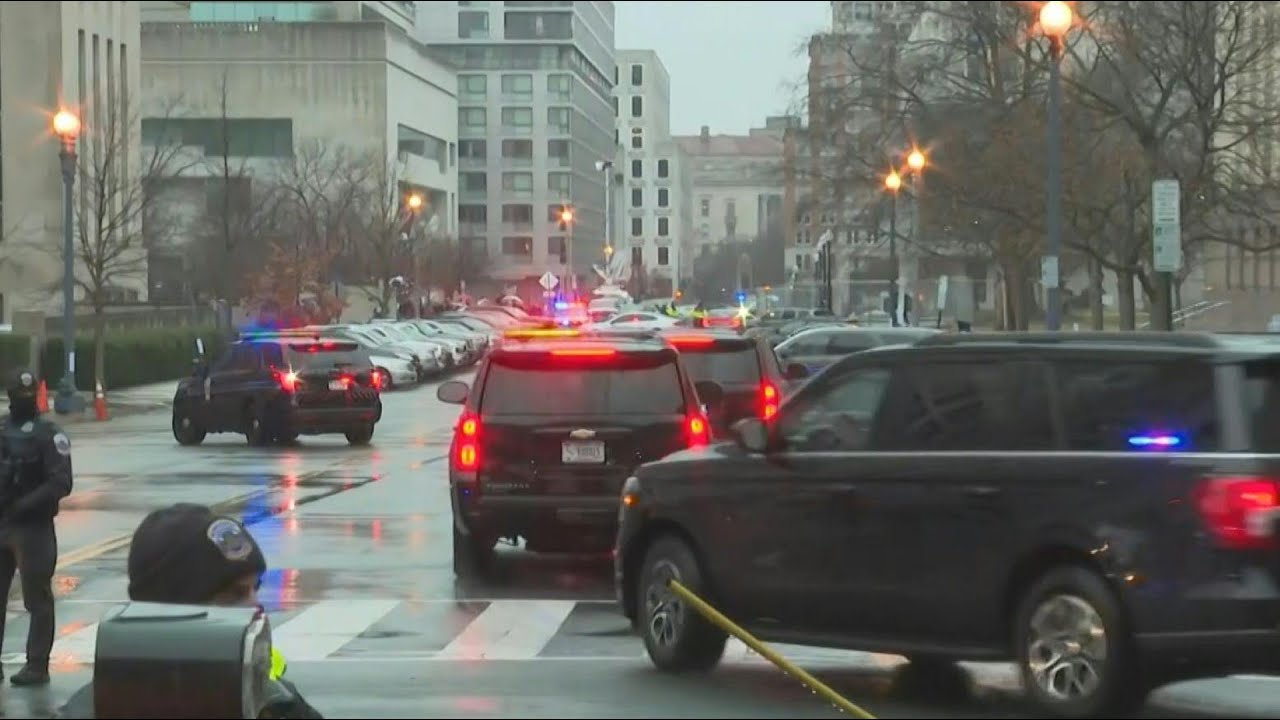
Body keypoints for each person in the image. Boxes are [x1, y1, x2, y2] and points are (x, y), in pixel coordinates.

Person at [57, 504, 322, 719]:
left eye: (256, 588)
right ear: (174, 610)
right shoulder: (96, 710)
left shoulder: (277, 703)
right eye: (234, 595)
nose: (257, 608)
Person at [0, 368, 72, 686]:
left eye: (28, 395)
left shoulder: (49, 435)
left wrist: (24, 504)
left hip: (33, 527)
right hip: (3, 521)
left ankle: (37, 665)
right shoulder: (2, 430)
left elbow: (61, 482)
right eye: (19, 395)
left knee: (37, 598)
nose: (24, 400)